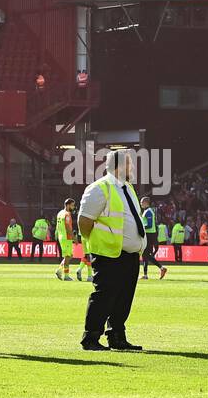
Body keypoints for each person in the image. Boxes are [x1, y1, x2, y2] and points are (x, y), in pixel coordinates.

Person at [78, 148, 146, 351]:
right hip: (108, 253)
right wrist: (97, 243)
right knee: (104, 296)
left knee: (124, 297)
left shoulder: (127, 188)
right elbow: (84, 222)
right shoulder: (99, 188)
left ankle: (117, 336)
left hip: (129, 254)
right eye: (129, 163)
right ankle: (90, 338)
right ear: (119, 166)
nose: (132, 167)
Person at [55, 198, 83, 281]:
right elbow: (68, 228)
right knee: (68, 256)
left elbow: (58, 226)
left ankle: (60, 270)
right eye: (72, 205)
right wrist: (74, 238)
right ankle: (65, 275)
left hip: (61, 236)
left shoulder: (60, 213)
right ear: (67, 205)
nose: (73, 207)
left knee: (69, 255)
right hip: (66, 237)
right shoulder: (67, 214)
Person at [140, 196, 167, 280]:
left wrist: (141, 227)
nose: (141, 204)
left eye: (142, 202)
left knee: (145, 255)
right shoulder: (147, 211)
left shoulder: (148, 212)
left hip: (149, 235)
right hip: (150, 235)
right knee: (145, 255)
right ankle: (146, 274)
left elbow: (150, 225)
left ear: (146, 203)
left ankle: (161, 268)